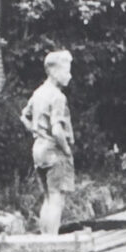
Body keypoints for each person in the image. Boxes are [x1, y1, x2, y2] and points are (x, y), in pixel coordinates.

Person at [20, 49, 76, 237]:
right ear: (53, 71)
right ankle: (52, 241)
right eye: (66, 70)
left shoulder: (38, 93)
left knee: (47, 197)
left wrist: (36, 131)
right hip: (55, 152)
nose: (70, 75)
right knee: (57, 199)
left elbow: (24, 116)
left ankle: (45, 239)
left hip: (39, 150)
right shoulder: (58, 97)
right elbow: (57, 129)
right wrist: (67, 150)